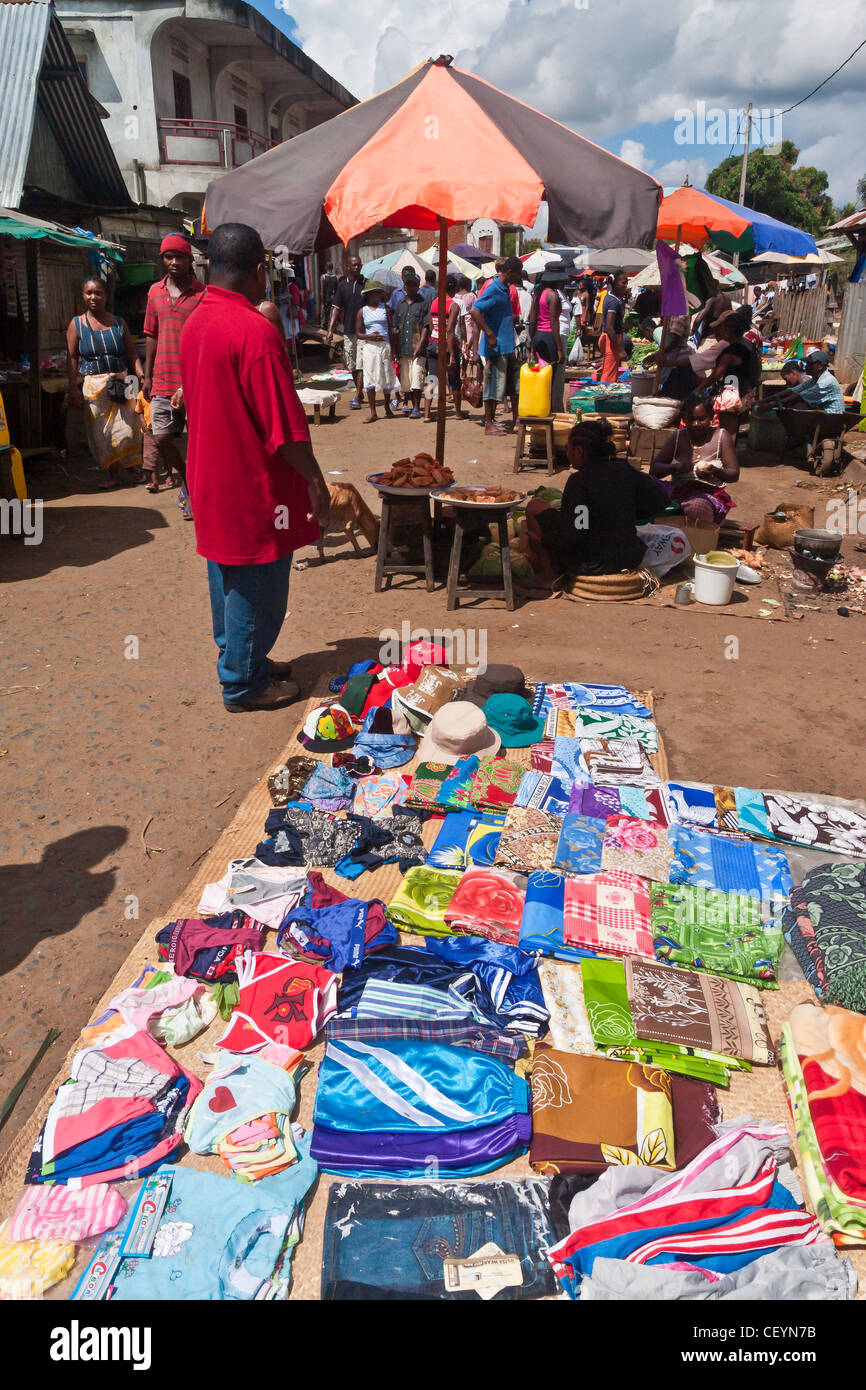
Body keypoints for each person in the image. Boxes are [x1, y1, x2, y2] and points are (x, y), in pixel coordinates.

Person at [179, 222, 329, 713]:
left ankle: (245, 660)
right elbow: (283, 427)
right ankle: (244, 684)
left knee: (226, 577)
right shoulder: (253, 331)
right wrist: (314, 479)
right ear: (258, 268)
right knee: (256, 583)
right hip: (249, 484)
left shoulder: (195, 321)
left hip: (208, 477)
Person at [525, 418, 671, 578]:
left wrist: (543, 542)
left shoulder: (579, 481)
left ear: (579, 451)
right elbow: (662, 499)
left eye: (568, 447)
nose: (567, 451)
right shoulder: (624, 470)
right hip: (629, 558)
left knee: (535, 506)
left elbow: (576, 532)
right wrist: (626, 512)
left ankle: (547, 576)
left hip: (591, 563)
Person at [143, 234, 205, 519]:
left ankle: (199, 489)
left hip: (195, 381)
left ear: (190, 260)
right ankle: (187, 478)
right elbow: (151, 334)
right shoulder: (154, 292)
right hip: (162, 379)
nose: (174, 262)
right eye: (169, 257)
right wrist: (146, 375)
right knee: (162, 438)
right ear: (162, 260)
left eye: (179, 257)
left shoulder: (202, 294)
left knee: (199, 441)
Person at [66, 278, 143, 489]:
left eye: (98, 293)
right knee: (101, 433)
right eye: (89, 293)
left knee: (130, 428)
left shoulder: (119, 322)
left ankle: (133, 469)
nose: (93, 297)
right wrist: (73, 387)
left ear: (106, 296)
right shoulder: (77, 324)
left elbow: (131, 353)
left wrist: (141, 375)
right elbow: (72, 357)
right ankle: (113, 475)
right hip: (93, 386)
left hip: (122, 380)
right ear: (83, 295)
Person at [651, 393, 739, 525]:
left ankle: (696, 537)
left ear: (711, 417)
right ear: (684, 420)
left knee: (696, 507)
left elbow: (734, 474)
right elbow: (654, 469)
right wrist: (676, 467)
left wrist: (714, 471)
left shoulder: (721, 436)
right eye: (691, 419)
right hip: (678, 490)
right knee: (643, 486)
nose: (696, 424)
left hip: (709, 494)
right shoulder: (677, 437)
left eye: (701, 419)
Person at [470, 254, 524, 435]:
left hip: (508, 346)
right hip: (496, 347)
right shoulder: (494, 288)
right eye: (518, 274)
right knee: (492, 386)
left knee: (514, 386)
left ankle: (517, 420)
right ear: (510, 272)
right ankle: (488, 424)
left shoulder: (505, 288)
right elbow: (475, 310)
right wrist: (490, 334)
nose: (519, 278)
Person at [701, 308, 761, 434]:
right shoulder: (747, 344)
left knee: (728, 432)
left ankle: (728, 452)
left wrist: (697, 390)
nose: (717, 331)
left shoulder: (732, 351)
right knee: (731, 430)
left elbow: (716, 375)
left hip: (733, 396)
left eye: (720, 328)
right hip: (746, 392)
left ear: (728, 330)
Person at [326, 255, 365, 409]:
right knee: (352, 364)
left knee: (361, 364)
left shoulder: (366, 284)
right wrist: (330, 330)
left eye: (359, 265)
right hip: (348, 331)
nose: (357, 267)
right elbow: (336, 308)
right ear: (347, 266)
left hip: (363, 332)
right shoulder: (342, 286)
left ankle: (357, 394)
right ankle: (360, 392)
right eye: (354, 265)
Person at [355, 281, 397, 423]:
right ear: (368, 295)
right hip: (370, 347)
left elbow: (391, 330)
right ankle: (373, 412)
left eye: (379, 293)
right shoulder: (362, 311)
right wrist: (369, 336)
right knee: (370, 378)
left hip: (384, 346)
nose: (377, 296)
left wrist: (393, 351)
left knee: (386, 376)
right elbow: (358, 333)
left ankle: (386, 406)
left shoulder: (385, 309)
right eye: (375, 293)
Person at [424, 274, 463, 422]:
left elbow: (431, 325)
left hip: (433, 343)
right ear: (454, 288)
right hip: (447, 345)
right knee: (454, 381)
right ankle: (458, 412)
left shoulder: (434, 302)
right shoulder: (454, 305)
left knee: (431, 380)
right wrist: (452, 354)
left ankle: (427, 414)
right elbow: (450, 331)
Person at [392, 272, 429, 417]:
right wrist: (394, 350)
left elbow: (426, 326)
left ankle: (416, 408)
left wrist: (420, 345)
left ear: (418, 286)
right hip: (403, 349)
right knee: (406, 381)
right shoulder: (400, 305)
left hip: (418, 350)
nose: (411, 287)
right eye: (409, 284)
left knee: (417, 378)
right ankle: (408, 405)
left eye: (414, 284)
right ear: (405, 286)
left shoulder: (423, 303)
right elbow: (395, 328)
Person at [528, 270, 565, 411]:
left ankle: (537, 408)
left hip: (538, 336)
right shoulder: (552, 295)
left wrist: (532, 343)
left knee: (539, 376)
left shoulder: (538, 295)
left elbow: (532, 320)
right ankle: (547, 410)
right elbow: (554, 322)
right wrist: (560, 349)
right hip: (550, 338)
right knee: (550, 377)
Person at [599, 270, 629, 383]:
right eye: (623, 282)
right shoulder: (613, 301)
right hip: (611, 340)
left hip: (610, 339)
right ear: (615, 283)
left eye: (626, 282)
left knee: (609, 371)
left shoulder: (613, 297)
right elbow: (609, 327)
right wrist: (620, 349)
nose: (625, 285)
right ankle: (604, 398)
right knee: (609, 377)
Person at [454, 275, 478, 359]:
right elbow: (476, 310)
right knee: (467, 348)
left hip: (456, 325)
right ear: (468, 285)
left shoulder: (455, 296)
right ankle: (464, 370)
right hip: (468, 325)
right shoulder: (471, 296)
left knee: (458, 347)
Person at [320, 262, 338, 327]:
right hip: (333, 299)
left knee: (324, 317)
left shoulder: (323, 277)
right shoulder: (335, 277)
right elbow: (337, 291)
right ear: (332, 268)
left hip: (326, 299)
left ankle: (324, 332)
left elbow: (322, 291)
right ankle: (332, 331)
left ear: (326, 268)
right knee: (332, 317)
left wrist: (322, 303)